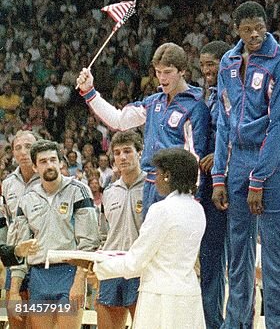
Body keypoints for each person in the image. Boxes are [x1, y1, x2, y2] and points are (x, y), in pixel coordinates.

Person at [211, 1, 280, 329]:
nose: (254, 35)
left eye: (259, 28)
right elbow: (224, 118)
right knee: (238, 249)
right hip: (237, 159)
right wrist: (218, 174)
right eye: (247, 29)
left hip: (273, 159)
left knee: (275, 249)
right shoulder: (228, 61)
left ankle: (278, 325)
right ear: (236, 29)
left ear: (266, 25)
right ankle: (237, 322)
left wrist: (259, 178)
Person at [69, 147, 206, 329]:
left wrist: (95, 267)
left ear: (167, 176)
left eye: (157, 174)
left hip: (160, 297)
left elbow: (135, 262)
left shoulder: (161, 210)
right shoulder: (197, 209)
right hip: (188, 295)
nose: (154, 179)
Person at [77, 43, 211, 213]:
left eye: (167, 72)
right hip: (150, 183)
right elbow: (118, 120)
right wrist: (89, 91)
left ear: (182, 70)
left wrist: (195, 199)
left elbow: (196, 156)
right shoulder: (153, 102)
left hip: (178, 187)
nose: (162, 78)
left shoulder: (196, 106)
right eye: (158, 72)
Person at [9, 140, 99, 329]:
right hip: (39, 275)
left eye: (53, 160)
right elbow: (21, 249)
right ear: (35, 167)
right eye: (43, 161)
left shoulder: (79, 191)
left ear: (60, 163)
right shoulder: (27, 200)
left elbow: (89, 242)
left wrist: (79, 280)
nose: (49, 165)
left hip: (69, 272)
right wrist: (14, 290)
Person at [94, 131, 146, 329]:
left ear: (139, 152)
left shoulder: (152, 188)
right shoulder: (109, 191)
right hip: (112, 266)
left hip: (140, 267)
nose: (122, 157)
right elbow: (103, 232)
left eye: (127, 151)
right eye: (117, 153)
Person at [197, 39, 231, 329]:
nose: (207, 70)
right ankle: (211, 322)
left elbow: (234, 130)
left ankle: (228, 322)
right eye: (203, 65)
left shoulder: (234, 92)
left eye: (212, 64)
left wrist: (219, 155)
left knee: (229, 258)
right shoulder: (206, 96)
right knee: (209, 257)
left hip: (228, 180)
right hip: (206, 182)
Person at [0, 130, 38, 329]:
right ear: (13, 153)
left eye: (28, 147)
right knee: (16, 318)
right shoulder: (7, 183)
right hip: (15, 258)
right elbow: (9, 220)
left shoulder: (48, 179)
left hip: (41, 258)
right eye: (18, 148)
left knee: (39, 320)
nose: (23, 152)